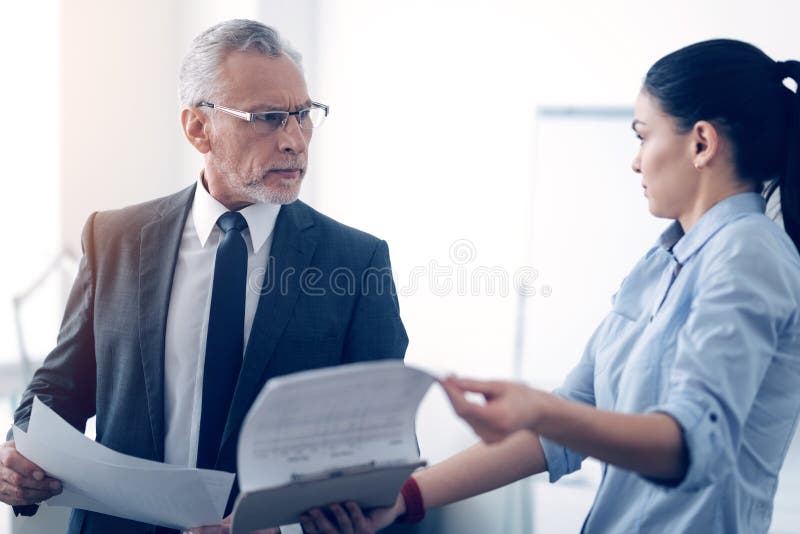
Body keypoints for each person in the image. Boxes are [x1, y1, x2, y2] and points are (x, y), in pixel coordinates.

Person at [299, 39, 800, 534]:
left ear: (701, 144)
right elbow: (567, 423)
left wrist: (542, 409)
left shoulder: (751, 255)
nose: (635, 160)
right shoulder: (657, 265)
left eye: (643, 136)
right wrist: (405, 498)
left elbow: (689, 446)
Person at [0, 19, 408, 534]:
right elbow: (60, 389)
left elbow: (381, 441)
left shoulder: (356, 261)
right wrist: (18, 458)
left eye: (304, 115)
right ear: (198, 128)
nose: (294, 140)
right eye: (268, 117)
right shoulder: (115, 238)